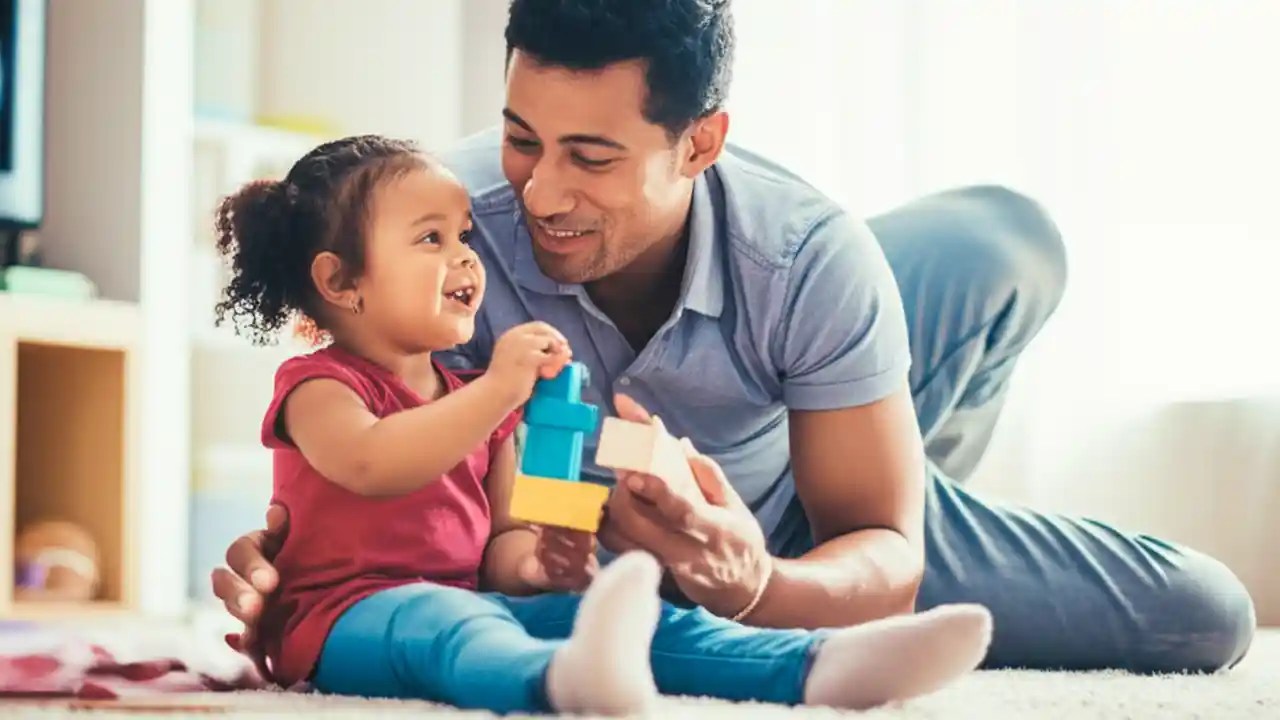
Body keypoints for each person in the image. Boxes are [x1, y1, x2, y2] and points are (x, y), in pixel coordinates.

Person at [213, 0, 1256, 674]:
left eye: (591, 156)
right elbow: (348, 431)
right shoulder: (444, 226)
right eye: (521, 139)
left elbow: (885, 559)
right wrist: (293, 552)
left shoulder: (807, 257)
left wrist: (757, 587)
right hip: (578, 556)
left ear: (702, 141)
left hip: (793, 528)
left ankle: (881, 440)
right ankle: (861, 422)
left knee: (1204, 613)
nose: (538, 192)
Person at [210, 133, 994, 714]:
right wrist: (498, 391)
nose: (467, 258)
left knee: (617, 612)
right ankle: (554, 686)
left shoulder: (474, 395)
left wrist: (546, 563)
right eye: (431, 239)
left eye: (465, 237)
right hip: (338, 617)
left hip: (472, 598)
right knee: (443, 623)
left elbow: (501, 544)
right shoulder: (318, 387)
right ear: (339, 282)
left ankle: (819, 667)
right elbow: (374, 464)